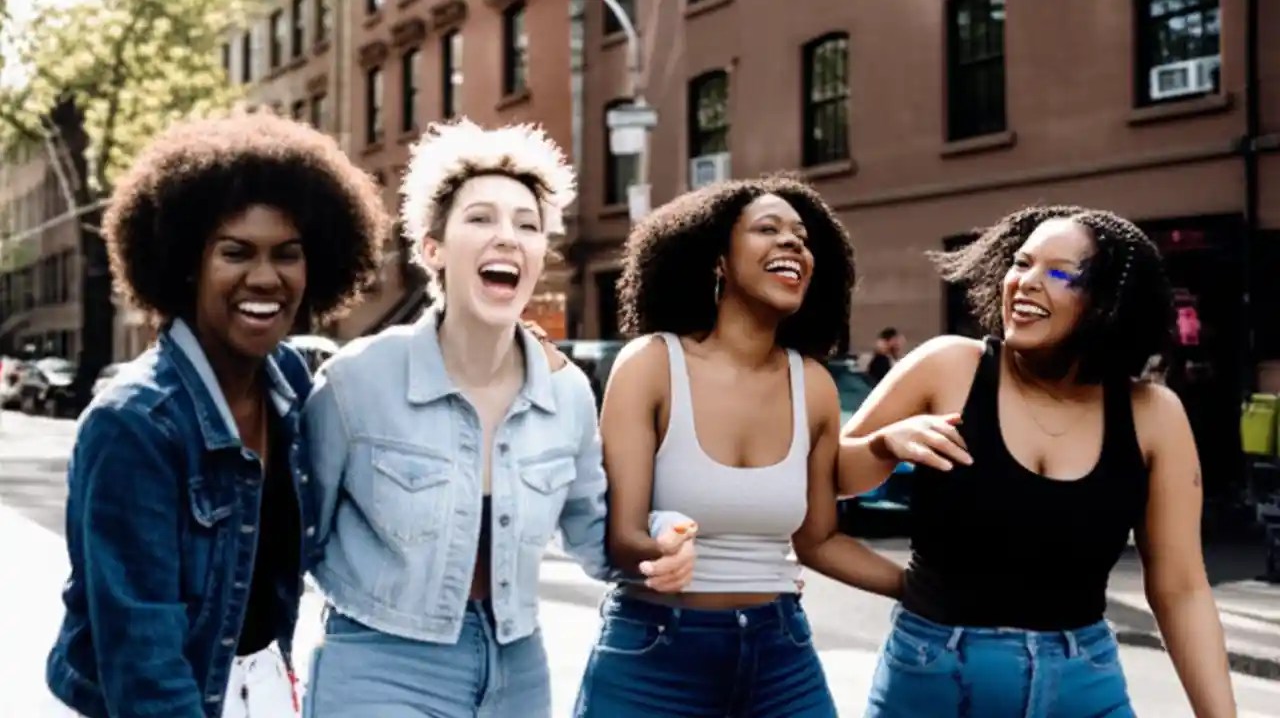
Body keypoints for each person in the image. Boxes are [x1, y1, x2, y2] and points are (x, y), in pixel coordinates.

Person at [301, 119, 696, 718]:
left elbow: (597, 533)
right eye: (481, 218)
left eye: (527, 225)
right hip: (380, 662)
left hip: (516, 668)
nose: (508, 237)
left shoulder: (565, 395)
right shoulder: (358, 381)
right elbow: (296, 539)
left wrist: (665, 536)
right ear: (432, 248)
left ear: (541, 255)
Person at [44, 113, 386, 718]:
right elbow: (143, 660)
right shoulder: (135, 423)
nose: (265, 278)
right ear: (185, 262)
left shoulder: (292, 386)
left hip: (264, 688)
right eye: (236, 252)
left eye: (288, 254)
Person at [838, 206, 1237, 717]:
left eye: (1058, 273)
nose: (1025, 283)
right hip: (933, 676)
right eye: (1021, 263)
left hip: (1083, 682)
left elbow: (1180, 587)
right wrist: (882, 446)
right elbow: (829, 479)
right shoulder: (949, 366)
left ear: (1106, 302)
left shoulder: (1153, 415)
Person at [573, 176, 907, 717]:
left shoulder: (814, 385)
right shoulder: (653, 365)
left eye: (802, 236)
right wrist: (662, 553)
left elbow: (818, 541)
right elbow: (622, 536)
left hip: (780, 653)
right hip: (653, 654)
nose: (793, 243)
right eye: (767, 229)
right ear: (719, 261)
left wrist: (923, 588)